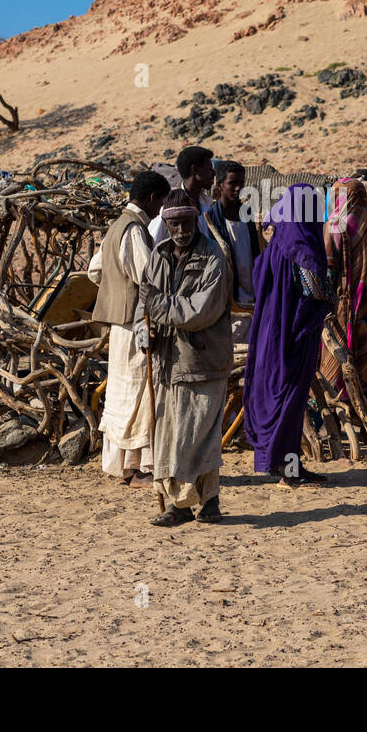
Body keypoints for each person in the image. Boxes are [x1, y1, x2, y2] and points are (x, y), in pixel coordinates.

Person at [135, 189, 234, 527]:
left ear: (196, 221)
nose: (181, 230)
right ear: (166, 224)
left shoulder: (213, 259)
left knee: (194, 438)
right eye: (174, 223)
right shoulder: (159, 256)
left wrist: (157, 305)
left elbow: (199, 312)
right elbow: (142, 306)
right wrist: (141, 333)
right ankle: (199, 504)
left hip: (202, 363)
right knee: (170, 438)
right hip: (166, 364)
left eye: (187, 222)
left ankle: (189, 505)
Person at [243, 183, 331, 487]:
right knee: (290, 401)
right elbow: (317, 291)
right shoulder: (302, 249)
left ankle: (288, 466)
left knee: (278, 396)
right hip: (294, 337)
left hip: (270, 336)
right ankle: (288, 471)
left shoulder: (275, 246)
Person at [88, 171, 170, 488]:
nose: (161, 208)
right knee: (139, 393)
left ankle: (123, 466)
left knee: (123, 395)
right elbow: (149, 276)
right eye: (161, 201)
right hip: (134, 325)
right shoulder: (136, 231)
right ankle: (139, 469)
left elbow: (95, 270)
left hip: (118, 326)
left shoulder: (115, 226)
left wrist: (114, 287)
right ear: (152, 198)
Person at [320, 178, 367, 419]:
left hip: (342, 310)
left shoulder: (335, 225)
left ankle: (339, 421)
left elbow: (329, 271)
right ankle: (365, 421)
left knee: (338, 363)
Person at [204, 160, 260, 344]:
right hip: (229, 303)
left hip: (253, 298)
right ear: (220, 185)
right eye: (232, 183)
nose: (238, 189)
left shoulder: (247, 213)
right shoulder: (211, 218)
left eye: (242, 184)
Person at [148, 146, 215, 245]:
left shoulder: (205, 205)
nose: (213, 173)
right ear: (195, 170)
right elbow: (152, 243)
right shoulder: (169, 207)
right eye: (209, 169)